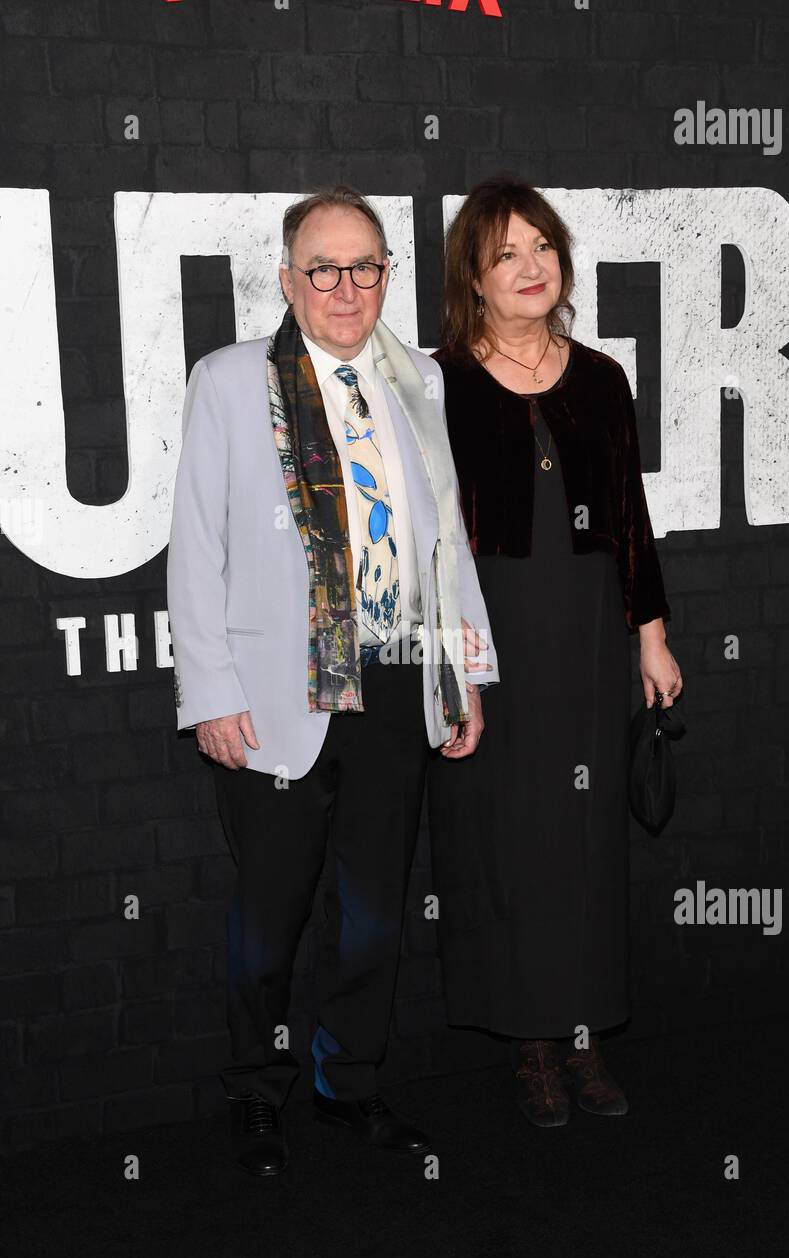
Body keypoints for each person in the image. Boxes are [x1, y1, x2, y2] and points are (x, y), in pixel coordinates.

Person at [166, 186, 498, 1176]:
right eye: (323, 268)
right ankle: (255, 1092)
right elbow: (196, 545)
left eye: (365, 267)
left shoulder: (420, 384)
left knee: (374, 914)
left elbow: (446, 541)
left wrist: (462, 671)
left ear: (386, 275)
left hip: (396, 683)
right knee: (267, 918)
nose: (345, 287)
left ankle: (346, 1083)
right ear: (287, 279)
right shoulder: (230, 382)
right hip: (275, 693)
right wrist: (210, 690)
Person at [426, 175, 683, 1128]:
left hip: (583, 636)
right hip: (487, 636)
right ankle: (528, 1047)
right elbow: (423, 538)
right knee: (502, 838)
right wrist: (446, 661)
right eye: (506, 253)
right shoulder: (437, 383)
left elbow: (628, 520)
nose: (531, 266)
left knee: (582, 842)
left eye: (543, 247)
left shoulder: (603, 379)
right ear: (475, 279)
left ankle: (583, 1038)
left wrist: (650, 637)